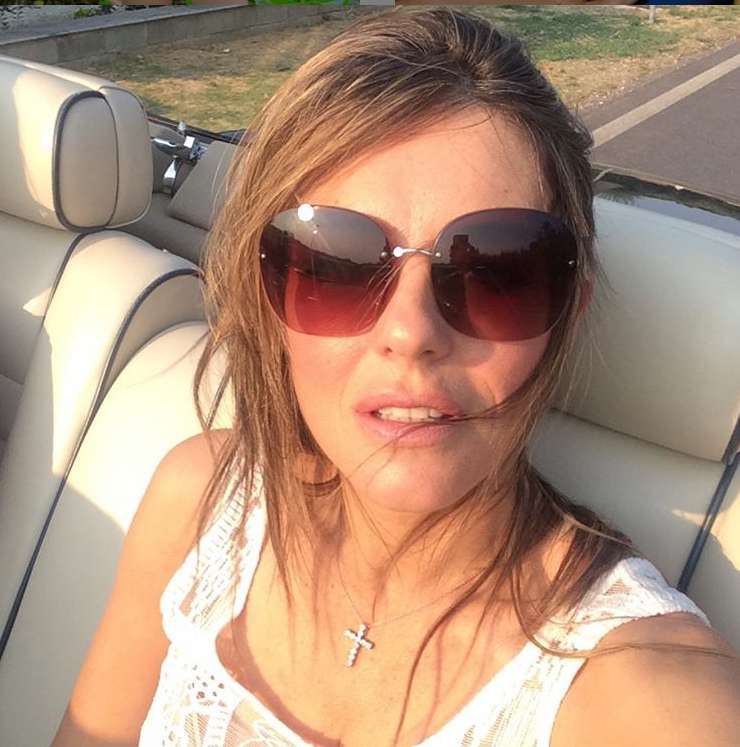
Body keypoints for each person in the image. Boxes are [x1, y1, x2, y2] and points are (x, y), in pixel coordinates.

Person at [52, 6, 738, 747]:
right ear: (268, 296)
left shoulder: (650, 696)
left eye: (494, 270)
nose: (411, 334)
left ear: (569, 310)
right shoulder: (200, 502)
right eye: (336, 263)